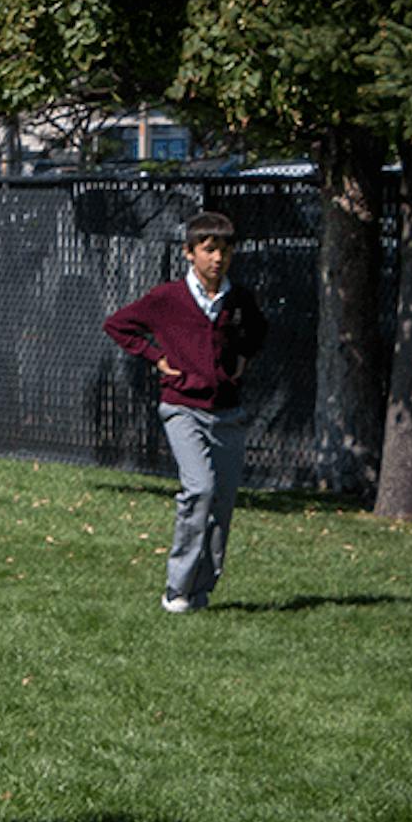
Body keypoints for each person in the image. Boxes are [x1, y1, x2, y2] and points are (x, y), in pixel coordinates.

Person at [103, 210, 264, 614]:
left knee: (222, 504)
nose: (218, 258)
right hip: (182, 407)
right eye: (209, 249)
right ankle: (176, 590)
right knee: (200, 489)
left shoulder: (238, 299)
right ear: (189, 253)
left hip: (227, 413)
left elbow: (258, 330)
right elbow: (118, 325)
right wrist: (155, 356)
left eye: (225, 250)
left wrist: (242, 357)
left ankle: (200, 591)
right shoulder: (167, 299)